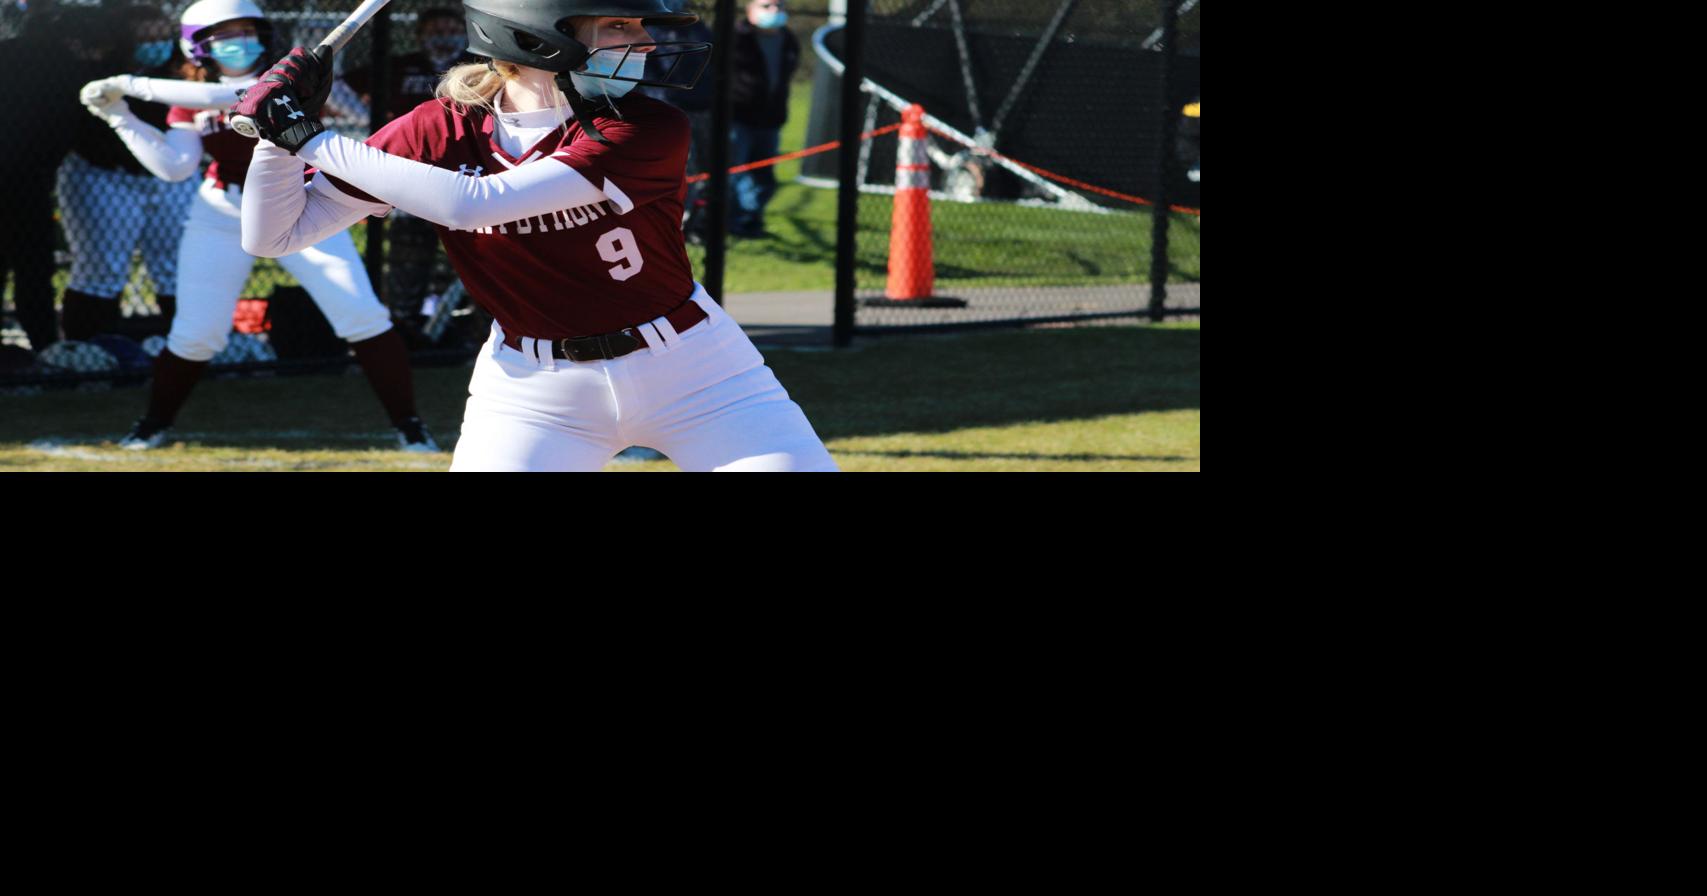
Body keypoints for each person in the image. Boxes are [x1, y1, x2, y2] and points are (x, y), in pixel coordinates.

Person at [235, 0, 838, 472]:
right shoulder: (440, 128)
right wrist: (274, 137)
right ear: (535, 37)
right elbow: (275, 234)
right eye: (620, 24)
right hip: (532, 387)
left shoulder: (646, 126)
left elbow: (473, 204)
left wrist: (304, 135)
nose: (648, 42)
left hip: (695, 371)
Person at [80, 0, 434, 451]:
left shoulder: (283, 77)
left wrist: (128, 85)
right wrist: (119, 116)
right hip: (221, 210)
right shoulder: (188, 97)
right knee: (196, 333)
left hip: (301, 206)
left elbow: (236, 98)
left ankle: (410, 426)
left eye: (248, 31)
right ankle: (152, 423)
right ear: (197, 47)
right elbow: (174, 166)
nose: (241, 42)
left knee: (361, 315)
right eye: (226, 35)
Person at [56, 4, 198, 342]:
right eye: (146, 39)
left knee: (176, 268)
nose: (157, 46)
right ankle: (89, 350)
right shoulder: (99, 76)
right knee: (102, 270)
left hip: (170, 181)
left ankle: (185, 348)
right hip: (104, 175)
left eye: (162, 37)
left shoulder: (181, 74)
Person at [342, 6, 475, 330]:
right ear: (420, 36)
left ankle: (464, 327)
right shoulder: (400, 66)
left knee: (470, 257)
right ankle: (405, 326)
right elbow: (340, 87)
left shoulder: (474, 67)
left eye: (451, 31)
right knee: (408, 257)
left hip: (465, 173)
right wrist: (371, 122)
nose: (444, 38)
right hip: (409, 172)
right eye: (436, 32)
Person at [0, 1, 116, 353]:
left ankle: (44, 347)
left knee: (33, 267)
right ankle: (44, 346)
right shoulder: (68, 69)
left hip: (30, 179)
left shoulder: (26, 58)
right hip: (30, 181)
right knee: (34, 269)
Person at [727, 0, 797, 238]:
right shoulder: (735, 38)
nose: (774, 11)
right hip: (738, 117)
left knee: (763, 175)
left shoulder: (788, 39)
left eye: (779, 6)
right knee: (734, 171)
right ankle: (731, 221)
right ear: (750, 10)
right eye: (766, 6)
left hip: (771, 119)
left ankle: (750, 219)